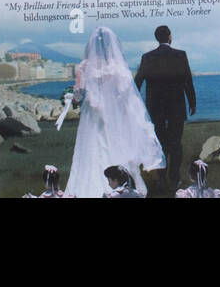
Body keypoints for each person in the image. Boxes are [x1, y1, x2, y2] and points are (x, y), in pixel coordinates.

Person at [64, 27, 165, 199]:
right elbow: (126, 93)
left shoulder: (85, 66)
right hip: (114, 117)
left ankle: (88, 188)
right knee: (115, 145)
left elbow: (78, 95)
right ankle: (122, 185)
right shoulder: (118, 67)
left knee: (91, 149)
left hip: (92, 117)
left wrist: (70, 99)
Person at [134, 25, 197, 192]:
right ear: (169, 37)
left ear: (157, 38)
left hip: (155, 109)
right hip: (176, 107)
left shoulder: (147, 57)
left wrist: (133, 104)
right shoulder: (180, 55)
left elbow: (138, 82)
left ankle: (161, 178)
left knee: (159, 144)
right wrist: (192, 102)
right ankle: (174, 178)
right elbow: (187, 81)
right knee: (176, 143)